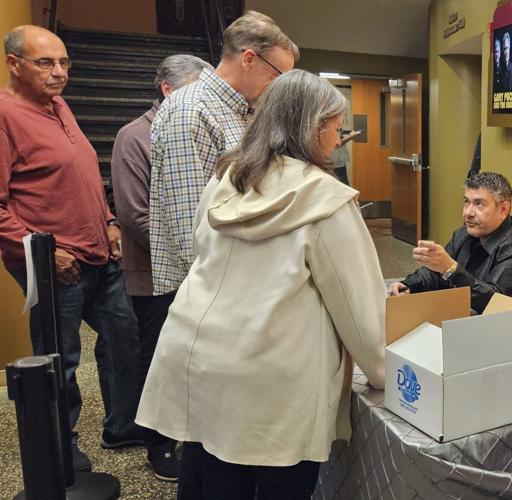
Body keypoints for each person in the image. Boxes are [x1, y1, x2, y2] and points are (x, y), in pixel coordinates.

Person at [136, 70, 386, 499]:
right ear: (313, 128)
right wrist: (381, 373)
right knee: (280, 486)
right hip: (277, 379)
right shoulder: (326, 200)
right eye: (336, 127)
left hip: (203, 355)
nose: (337, 139)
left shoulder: (225, 179)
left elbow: (200, 251)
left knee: (216, 478)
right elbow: (357, 306)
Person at [0, 25, 143, 472]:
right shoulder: (4, 115)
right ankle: (60, 450)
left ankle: (122, 426)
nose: (59, 72)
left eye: (63, 62)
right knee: (59, 362)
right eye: (45, 63)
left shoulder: (58, 105)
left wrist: (109, 220)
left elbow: (80, 175)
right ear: (14, 64)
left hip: (100, 252)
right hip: (53, 263)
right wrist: (42, 251)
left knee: (125, 339)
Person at [111, 54, 212, 481]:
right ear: (168, 90)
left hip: (198, 267)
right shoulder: (134, 136)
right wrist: (194, 249)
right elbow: (134, 214)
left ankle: (188, 433)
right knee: (157, 356)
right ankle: (157, 443)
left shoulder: (195, 132)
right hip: (155, 274)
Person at [149, 11, 298, 301]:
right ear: (249, 59)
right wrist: (223, 295)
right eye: (276, 76)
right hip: (207, 290)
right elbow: (190, 226)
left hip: (234, 281)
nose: (277, 88)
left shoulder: (241, 109)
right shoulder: (191, 109)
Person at [389, 172, 512, 313]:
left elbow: (494, 304)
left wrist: (450, 269)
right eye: (466, 202)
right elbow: (436, 273)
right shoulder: (463, 234)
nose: (468, 213)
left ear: (503, 210)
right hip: (467, 318)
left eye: (479, 204)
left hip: (508, 329)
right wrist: (409, 285)